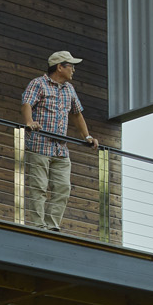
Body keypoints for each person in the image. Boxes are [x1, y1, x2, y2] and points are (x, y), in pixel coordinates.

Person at [16, 48, 95, 230]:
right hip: (39, 145)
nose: (73, 70)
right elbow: (26, 104)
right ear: (60, 67)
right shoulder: (38, 83)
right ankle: (39, 226)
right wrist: (29, 122)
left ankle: (52, 226)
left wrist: (87, 136)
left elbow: (77, 114)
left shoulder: (70, 89)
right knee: (39, 187)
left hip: (60, 149)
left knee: (63, 188)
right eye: (71, 66)